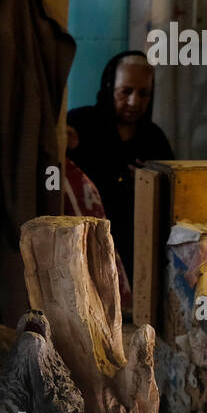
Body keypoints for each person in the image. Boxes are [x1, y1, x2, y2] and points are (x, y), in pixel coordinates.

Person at [66, 50, 174, 274]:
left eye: (143, 93)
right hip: (80, 251)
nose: (134, 102)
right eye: (125, 92)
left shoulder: (154, 139)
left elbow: (173, 198)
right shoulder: (79, 126)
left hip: (136, 255)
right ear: (109, 88)